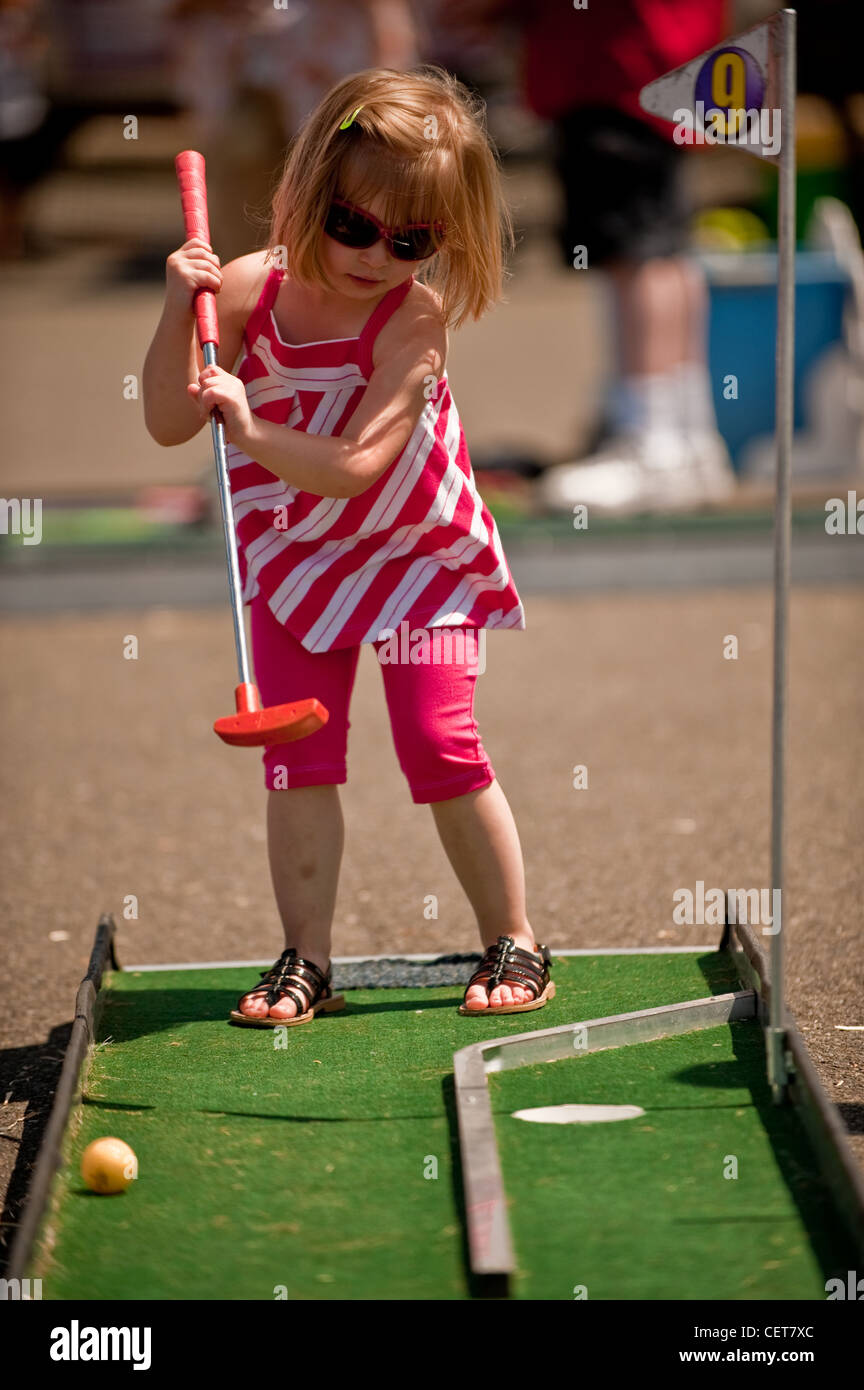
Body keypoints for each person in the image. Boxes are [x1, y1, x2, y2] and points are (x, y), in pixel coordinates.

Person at [142, 65, 555, 1024]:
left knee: (439, 740)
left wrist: (249, 432)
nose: (377, 254)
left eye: (413, 240)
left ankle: (517, 939)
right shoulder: (247, 292)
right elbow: (169, 421)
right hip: (294, 559)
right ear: (311, 191)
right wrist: (178, 308)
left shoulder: (413, 316)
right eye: (355, 225)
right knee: (296, 761)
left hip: (418, 556)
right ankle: (306, 959)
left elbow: (358, 462)